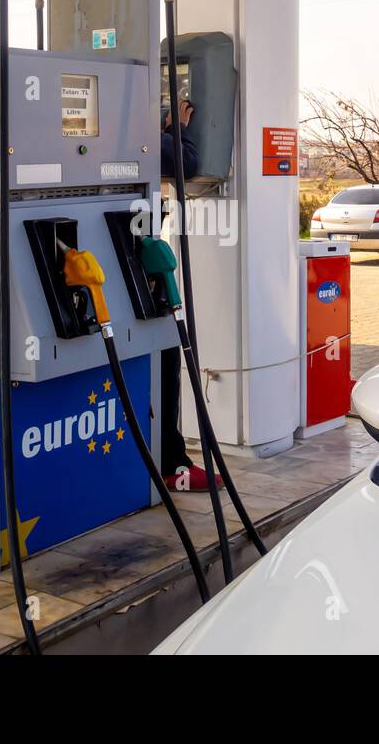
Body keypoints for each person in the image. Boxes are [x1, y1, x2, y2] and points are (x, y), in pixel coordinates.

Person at [158, 98, 218, 491]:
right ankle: (171, 462)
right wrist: (177, 129)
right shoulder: (145, 133)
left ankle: (165, 457)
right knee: (164, 353)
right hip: (128, 258)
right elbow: (187, 165)